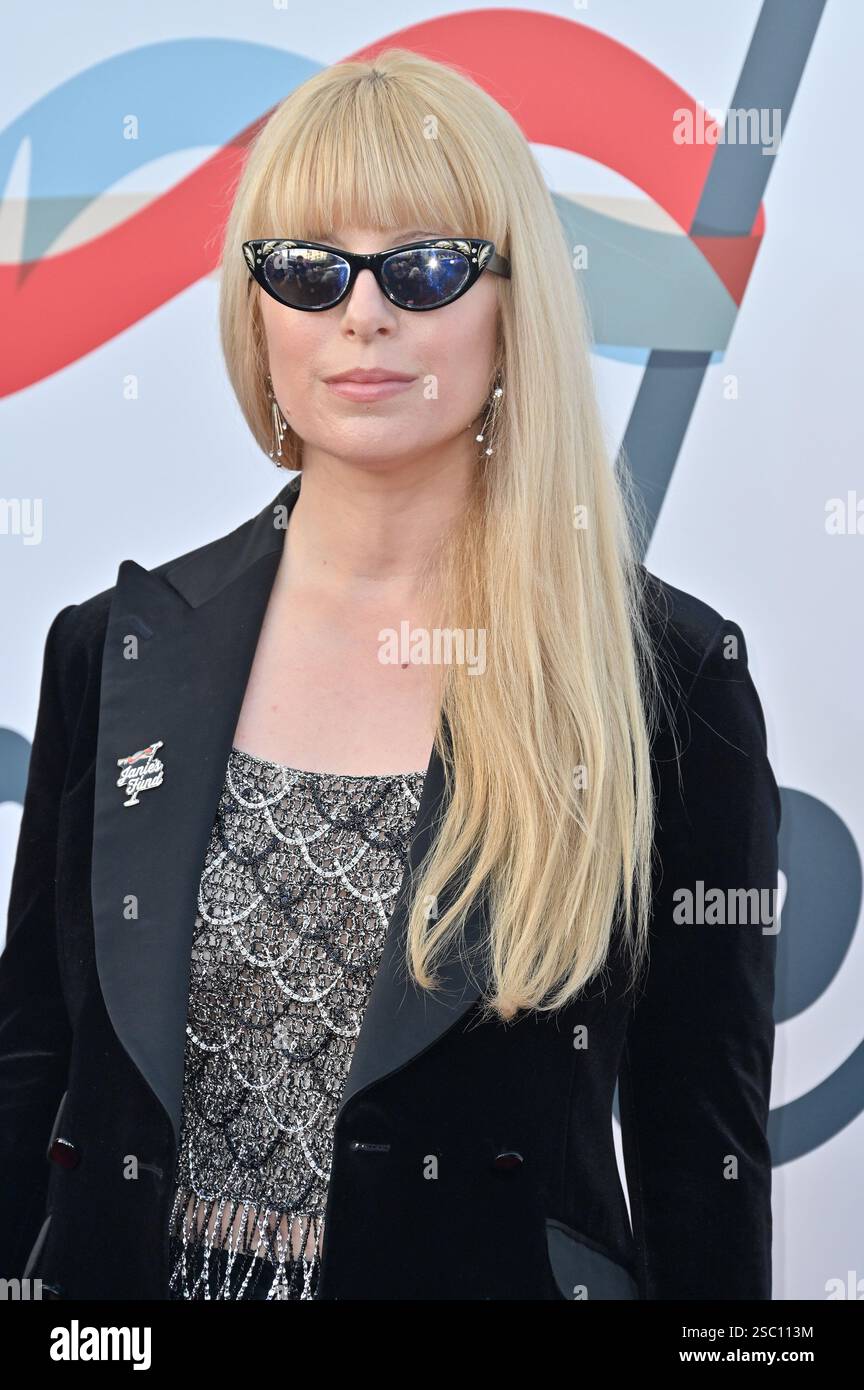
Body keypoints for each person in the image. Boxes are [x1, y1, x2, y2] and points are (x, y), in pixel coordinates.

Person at [0, 48, 781, 1301]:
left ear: (512, 306)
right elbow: (34, 1074)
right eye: (309, 270)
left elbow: (706, 1161)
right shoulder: (111, 650)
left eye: (425, 268)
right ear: (256, 311)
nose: (363, 315)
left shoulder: (668, 683)